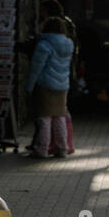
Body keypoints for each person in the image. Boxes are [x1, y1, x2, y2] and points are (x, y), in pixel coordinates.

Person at [26, 15, 75, 158]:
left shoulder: (44, 45)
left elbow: (36, 68)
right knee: (59, 117)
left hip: (45, 85)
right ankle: (62, 148)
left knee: (44, 119)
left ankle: (42, 149)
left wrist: (29, 87)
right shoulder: (69, 44)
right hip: (62, 85)